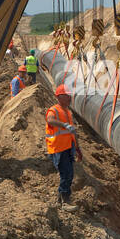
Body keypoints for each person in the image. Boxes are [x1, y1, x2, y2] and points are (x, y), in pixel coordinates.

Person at [45, 83, 82, 211]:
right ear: (60, 97)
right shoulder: (54, 110)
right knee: (66, 174)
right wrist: (64, 125)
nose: (70, 98)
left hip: (68, 147)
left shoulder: (68, 112)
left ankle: (61, 199)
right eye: (67, 96)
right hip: (58, 149)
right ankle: (64, 202)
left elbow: (72, 132)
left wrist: (77, 148)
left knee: (68, 174)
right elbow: (50, 120)